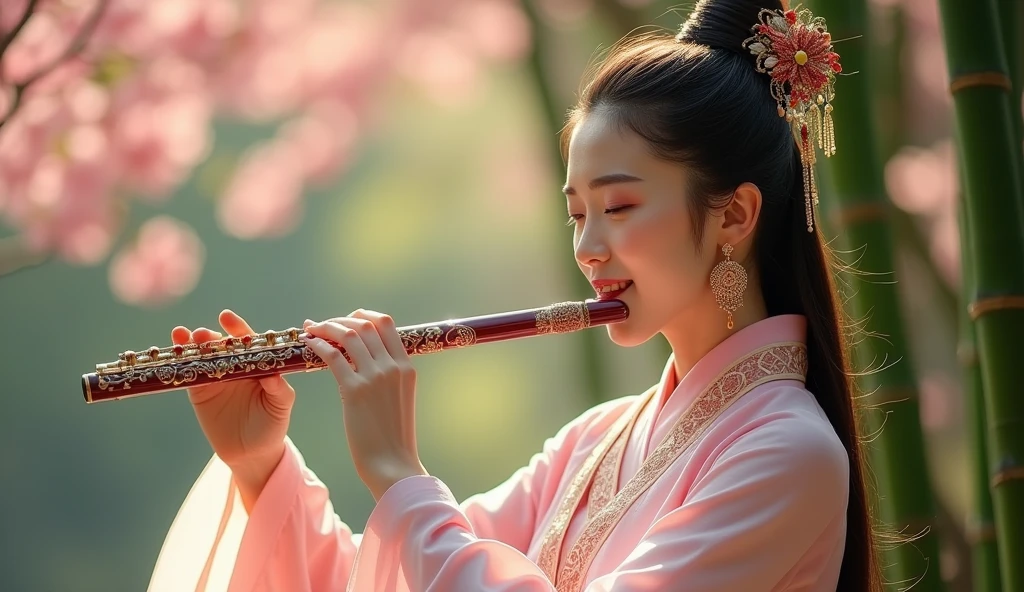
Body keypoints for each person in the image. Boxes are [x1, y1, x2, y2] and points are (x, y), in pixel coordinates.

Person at [147, 0, 883, 590]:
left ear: (735, 215)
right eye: (576, 214)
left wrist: (401, 473)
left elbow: (428, 545)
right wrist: (262, 463)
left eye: (619, 207)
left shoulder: (788, 452)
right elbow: (396, 575)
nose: (588, 248)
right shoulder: (594, 441)